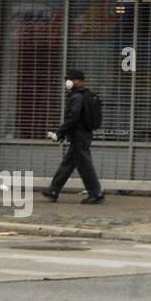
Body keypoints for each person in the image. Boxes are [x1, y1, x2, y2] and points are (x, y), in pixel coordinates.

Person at [40, 69, 104, 204]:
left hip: (79, 136)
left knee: (85, 166)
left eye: (69, 79)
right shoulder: (83, 95)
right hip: (82, 135)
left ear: (77, 81)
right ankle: (53, 190)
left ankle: (95, 193)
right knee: (68, 164)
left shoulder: (77, 97)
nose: (66, 81)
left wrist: (59, 133)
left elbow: (72, 118)